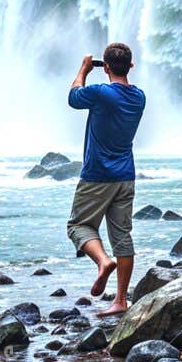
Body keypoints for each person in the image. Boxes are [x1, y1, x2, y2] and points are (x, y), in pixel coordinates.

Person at [66, 42, 146, 316]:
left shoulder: (101, 93)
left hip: (97, 175)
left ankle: (102, 262)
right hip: (126, 174)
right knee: (122, 234)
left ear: (107, 67)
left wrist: (84, 68)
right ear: (131, 66)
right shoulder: (139, 97)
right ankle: (121, 300)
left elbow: (73, 96)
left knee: (78, 226)